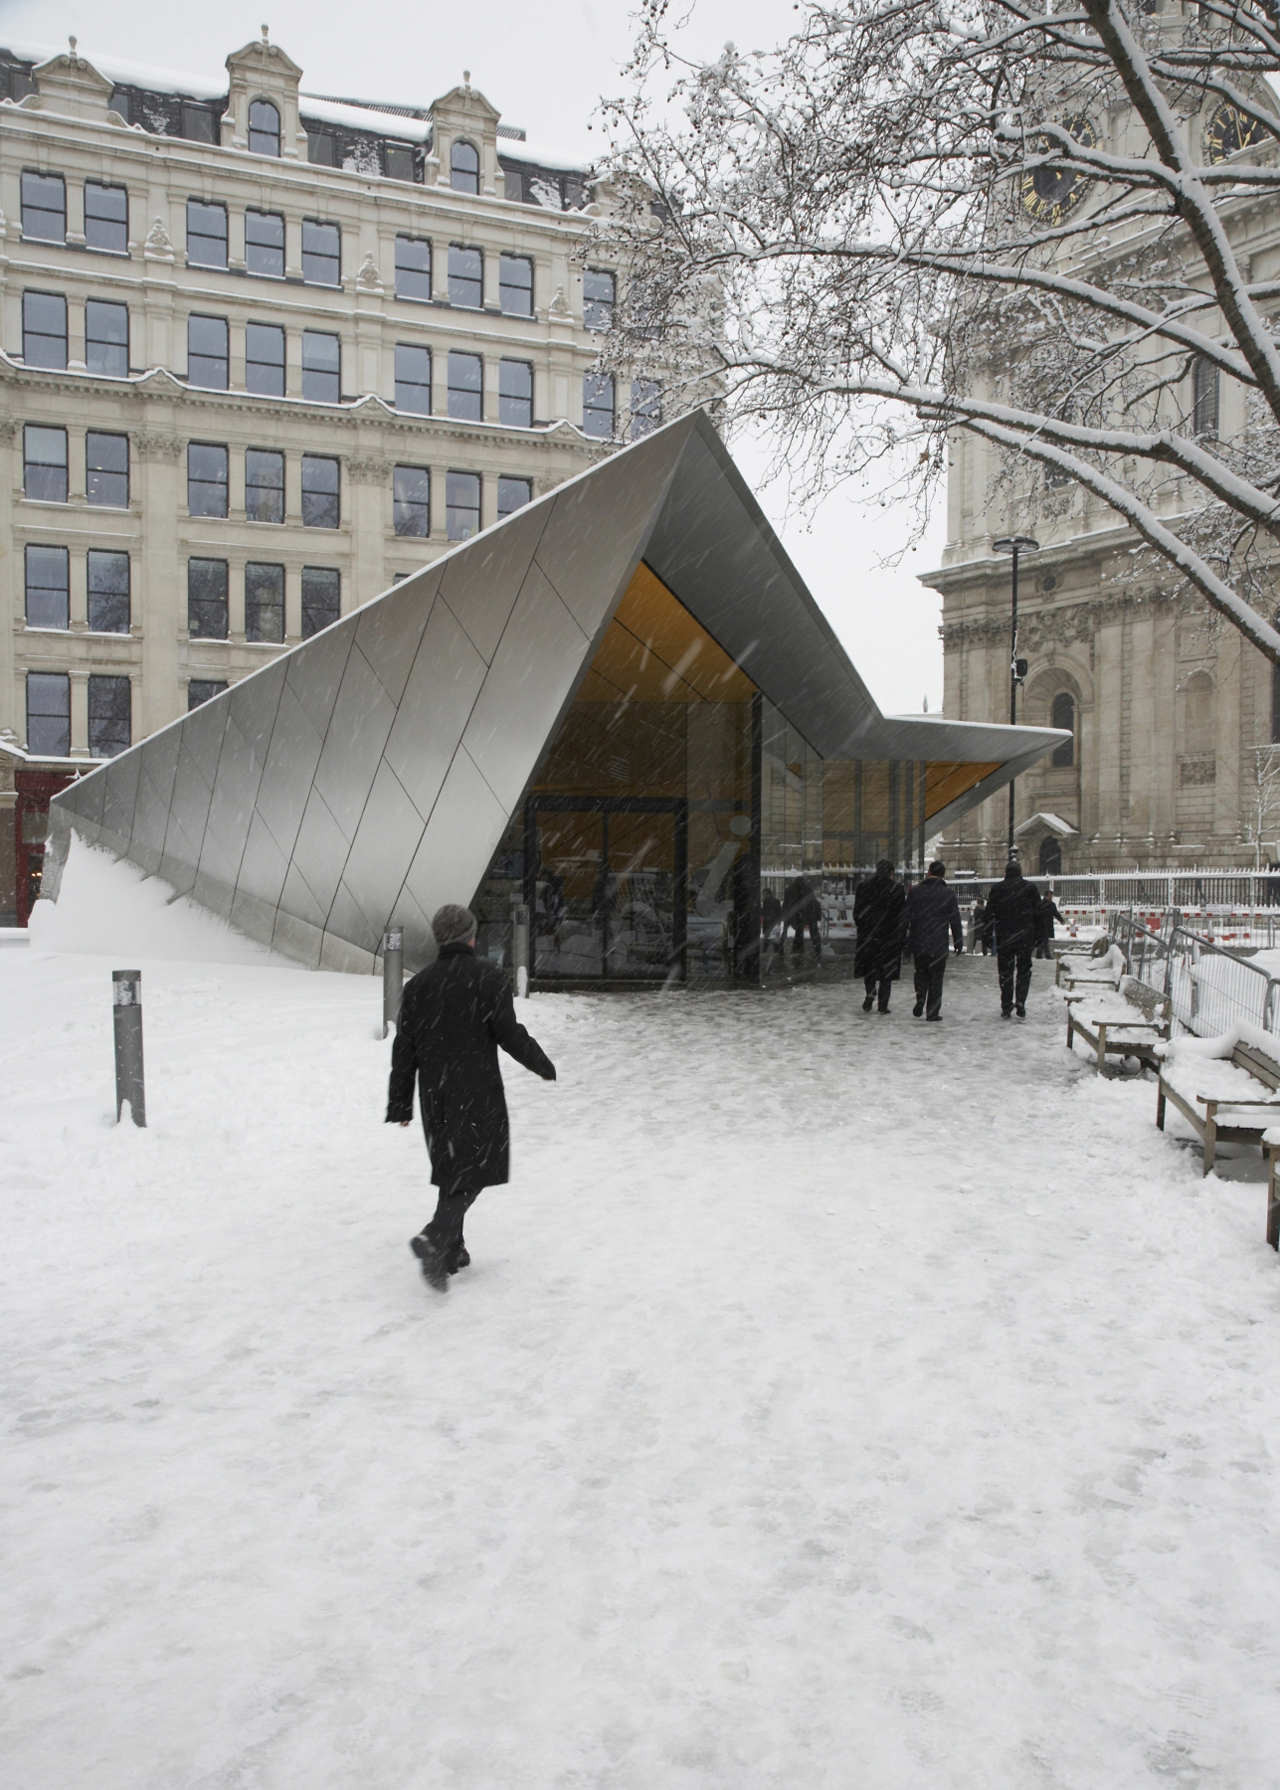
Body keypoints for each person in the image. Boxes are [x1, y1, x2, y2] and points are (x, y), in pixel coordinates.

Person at [386, 902, 556, 1291]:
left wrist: (400, 1103)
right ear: (471, 937)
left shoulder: (419, 986)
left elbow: (404, 1048)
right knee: (475, 1168)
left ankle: (450, 1251)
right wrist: (543, 1065)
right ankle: (436, 1235)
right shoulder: (487, 979)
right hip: (476, 1092)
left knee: (453, 1168)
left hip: (435, 1096)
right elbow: (509, 1034)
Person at [904, 860, 964, 1021]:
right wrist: (958, 941)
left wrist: (906, 942)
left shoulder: (915, 892)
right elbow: (955, 921)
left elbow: (905, 918)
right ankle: (932, 1012)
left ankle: (920, 996)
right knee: (936, 978)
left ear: (929, 872)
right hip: (938, 943)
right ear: (943, 875)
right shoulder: (948, 894)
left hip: (919, 940)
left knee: (921, 972)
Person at [985, 860, 1042, 1019]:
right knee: (1024, 970)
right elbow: (1039, 914)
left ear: (1006, 872)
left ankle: (1006, 1004)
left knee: (1005, 972)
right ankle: (1021, 1000)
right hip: (1025, 937)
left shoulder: (997, 889)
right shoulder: (1030, 888)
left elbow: (989, 914)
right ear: (1020, 872)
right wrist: (1039, 936)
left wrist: (988, 935)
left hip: (1005, 937)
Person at [853, 860, 906, 1013]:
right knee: (886, 973)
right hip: (888, 937)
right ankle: (883, 1005)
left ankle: (870, 992)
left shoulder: (863, 887)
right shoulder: (897, 889)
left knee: (869, 968)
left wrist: (865, 928)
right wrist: (899, 935)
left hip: (868, 937)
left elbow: (857, 914)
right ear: (891, 872)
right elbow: (901, 917)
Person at [782, 873, 823, 958]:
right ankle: (817, 949)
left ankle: (791, 949)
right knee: (813, 933)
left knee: (794, 932)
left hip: (797, 914)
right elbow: (814, 903)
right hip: (809, 915)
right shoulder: (808, 889)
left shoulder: (789, 890)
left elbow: (787, 904)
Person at [1036, 886, 1066, 959]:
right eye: (1050, 895)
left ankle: (1039, 954)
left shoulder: (1052, 904)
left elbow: (1055, 913)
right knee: (1045, 940)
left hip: (1048, 925)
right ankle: (1046, 955)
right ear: (1046, 896)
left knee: (1044, 940)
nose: (1052, 897)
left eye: (1052, 895)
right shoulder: (1040, 903)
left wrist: (1061, 920)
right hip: (1041, 925)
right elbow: (1036, 913)